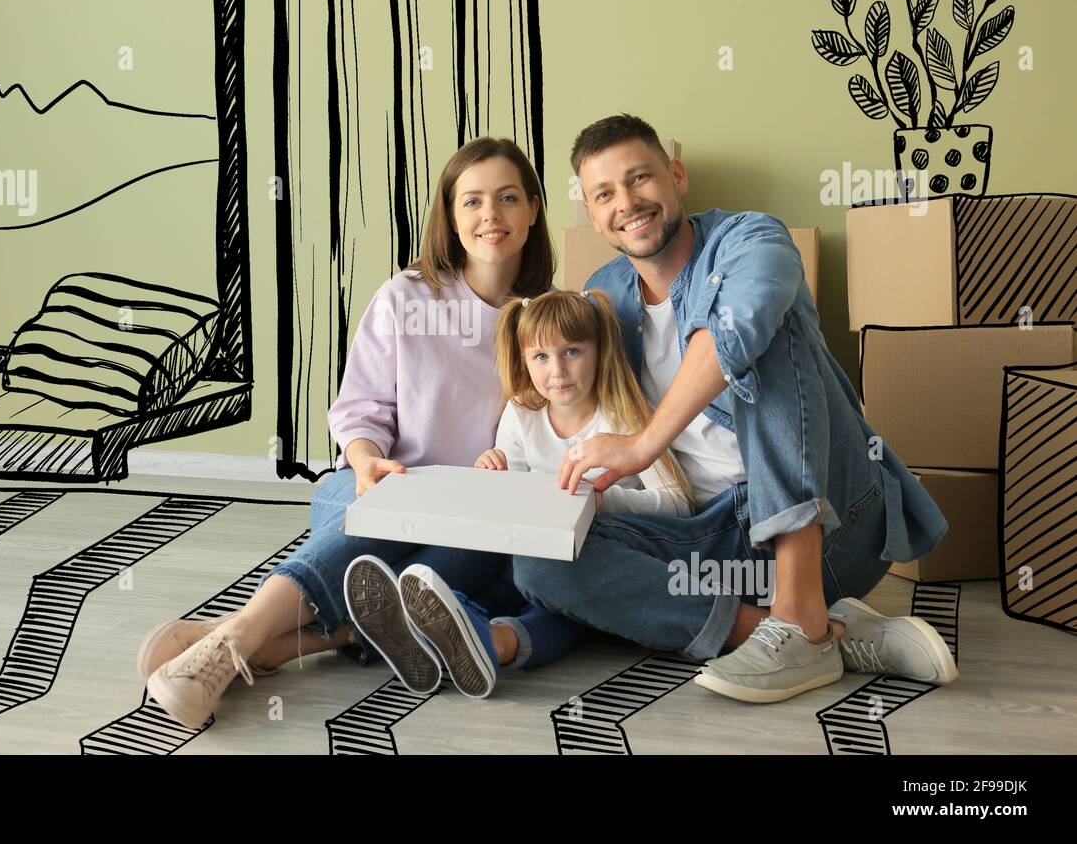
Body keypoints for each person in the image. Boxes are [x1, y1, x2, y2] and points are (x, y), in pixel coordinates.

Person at [522, 113, 958, 703]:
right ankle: (815, 632)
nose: (627, 203)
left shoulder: (753, 238)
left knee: (767, 332)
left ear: (675, 176)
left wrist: (642, 444)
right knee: (540, 563)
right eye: (605, 194)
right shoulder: (602, 294)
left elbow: (739, 326)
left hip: (830, 519)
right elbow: (556, 376)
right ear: (595, 214)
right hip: (708, 541)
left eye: (640, 178)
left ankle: (801, 606)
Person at [137, 137, 556, 728]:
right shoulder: (407, 296)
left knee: (440, 566)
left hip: (468, 525)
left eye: (508, 198)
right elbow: (360, 409)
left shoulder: (549, 322)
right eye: (472, 201)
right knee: (383, 522)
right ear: (450, 214)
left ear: (534, 208)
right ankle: (242, 637)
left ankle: (254, 641)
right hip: (370, 490)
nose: (491, 215)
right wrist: (365, 462)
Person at [347, 287, 697, 698]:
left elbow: (680, 502)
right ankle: (431, 633)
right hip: (528, 557)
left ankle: (495, 644)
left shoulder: (624, 416)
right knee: (505, 580)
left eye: (572, 352)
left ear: (599, 350)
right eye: (541, 357)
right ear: (524, 361)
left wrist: (601, 501)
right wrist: (492, 469)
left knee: (558, 609)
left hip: (594, 559)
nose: (557, 371)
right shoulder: (521, 413)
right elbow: (511, 498)